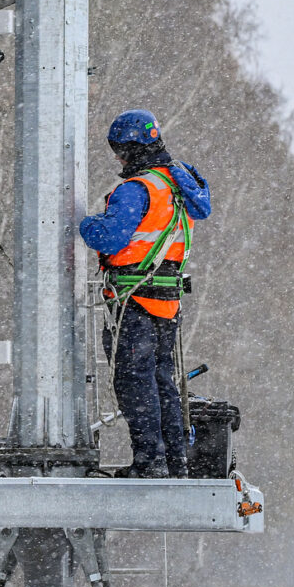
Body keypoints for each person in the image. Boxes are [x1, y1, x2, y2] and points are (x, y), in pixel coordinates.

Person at [79, 111, 214, 478]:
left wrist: (84, 222)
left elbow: (109, 237)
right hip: (167, 302)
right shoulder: (178, 186)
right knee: (163, 380)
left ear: (133, 149)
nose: (119, 159)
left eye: (121, 151)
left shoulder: (136, 190)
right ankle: (176, 460)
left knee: (134, 381)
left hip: (133, 301)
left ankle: (149, 462)